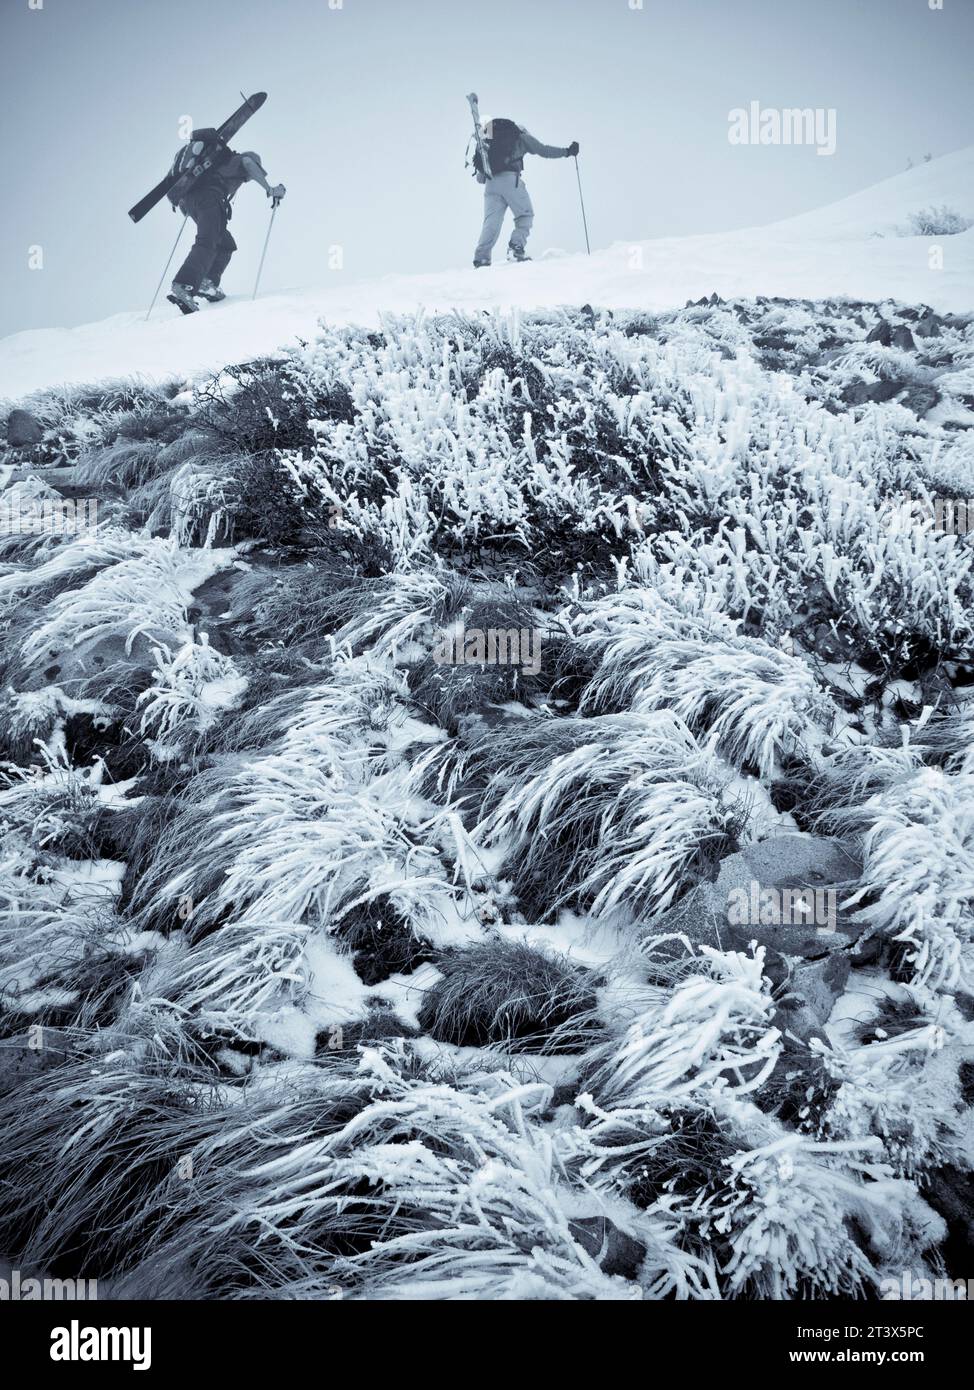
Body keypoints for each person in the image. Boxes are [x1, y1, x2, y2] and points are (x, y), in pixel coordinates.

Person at [166, 132, 286, 313]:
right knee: (207, 241)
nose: (250, 178)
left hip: (196, 202)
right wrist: (269, 189)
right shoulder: (240, 161)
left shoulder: (216, 170)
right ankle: (183, 284)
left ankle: (207, 283)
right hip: (209, 199)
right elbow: (248, 163)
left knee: (225, 243)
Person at [472, 118, 578, 268]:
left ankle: (481, 258)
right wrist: (567, 152)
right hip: (510, 181)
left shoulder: (490, 143)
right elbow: (544, 150)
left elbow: (480, 178)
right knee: (525, 215)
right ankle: (515, 249)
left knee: (491, 223)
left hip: (490, 186)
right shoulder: (521, 137)